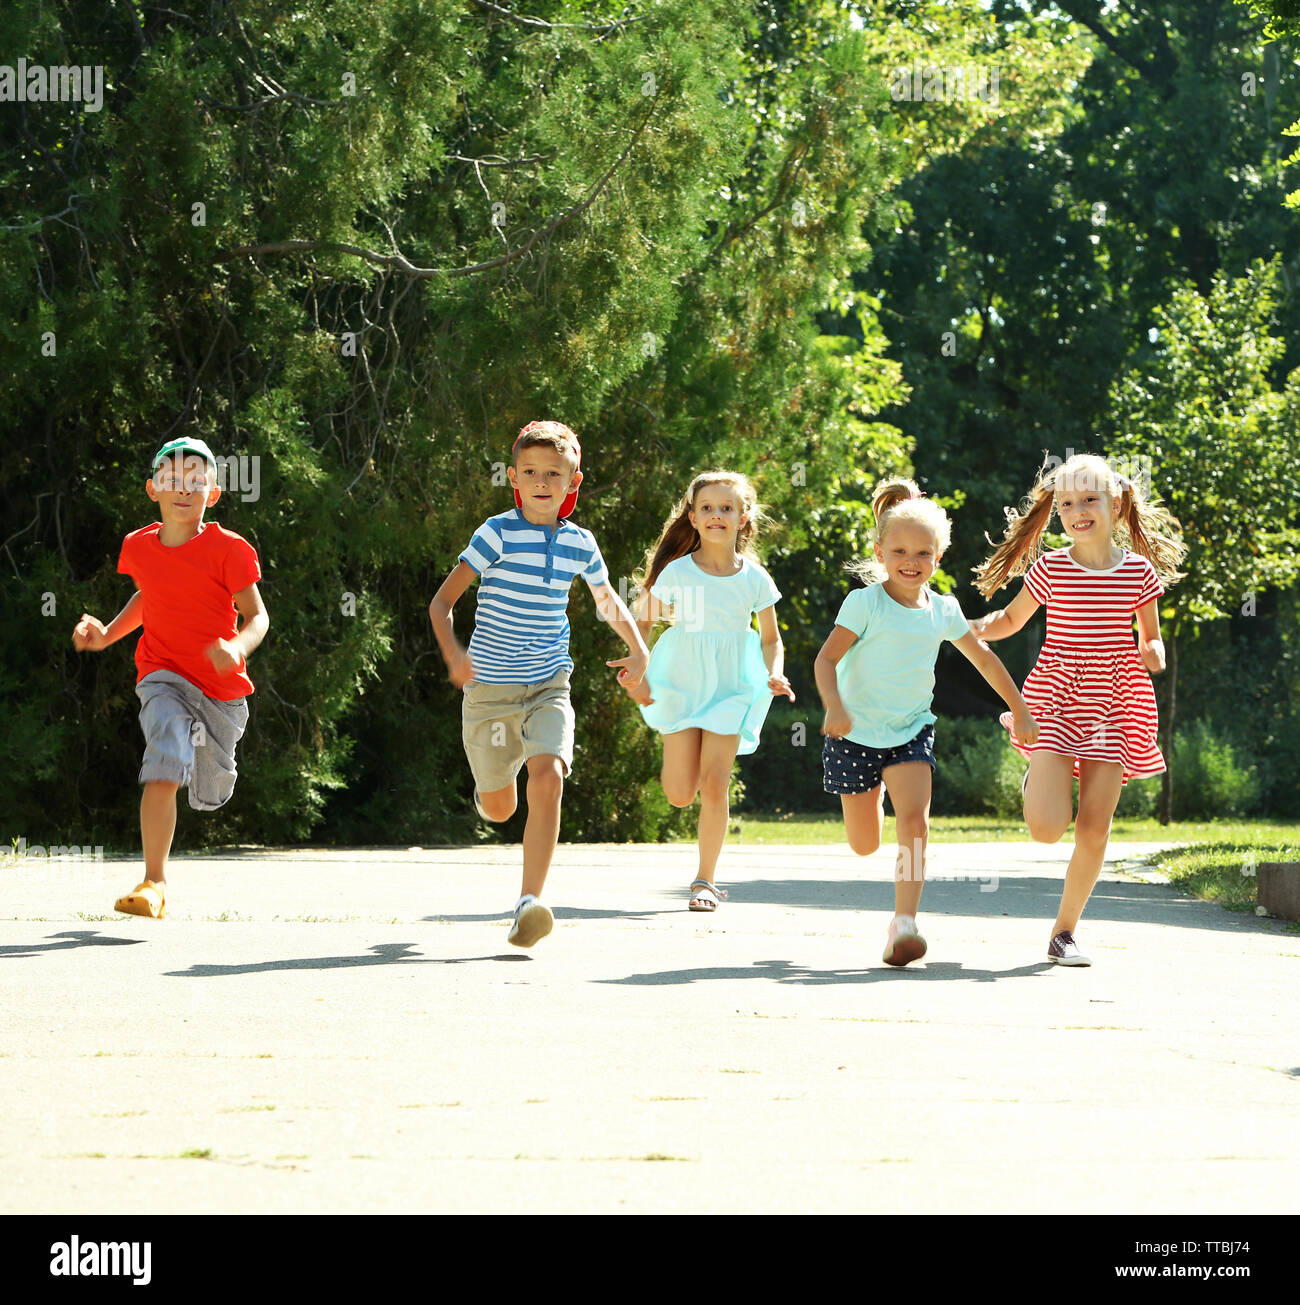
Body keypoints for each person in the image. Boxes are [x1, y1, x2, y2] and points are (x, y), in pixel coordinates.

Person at [429, 420, 649, 947]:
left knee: (549, 775)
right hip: (489, 690)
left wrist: (639, 648)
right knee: (501, 807)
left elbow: (606, 600)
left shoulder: (580, 542)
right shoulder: (496, 533)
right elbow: (441, 602)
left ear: (573, 481)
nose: (541, 481)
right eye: (530, 472)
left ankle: (529, 903)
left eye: (553, 473)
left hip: (549, 682)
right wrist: (455, 655)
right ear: (513, 478)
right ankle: (487, 795)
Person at [970, 453, 1186, 966]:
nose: (1077, 510)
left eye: (1089, 499)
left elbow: (1150, 637)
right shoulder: (1051, 568)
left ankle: (1064, 932)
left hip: (1118, 703)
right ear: (1057, 512)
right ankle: (1038, 777)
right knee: (1047, 829)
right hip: (1057, 697)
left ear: (1114, 504)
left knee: (1094, 827)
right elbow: (1010, 620)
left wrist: (1153, 652)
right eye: (1066, 502)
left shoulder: (1139, 572)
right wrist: (970, 626)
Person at [814, 478, 1038, 966]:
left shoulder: (944, 610)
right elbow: (825, 661)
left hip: (912, 731)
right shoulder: (864, 603)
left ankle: (905, 922)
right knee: (864, 843)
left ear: (938, 557)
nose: (910, 561)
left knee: (915, 823)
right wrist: (833, 705)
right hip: (853, 734)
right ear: (879, 551)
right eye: (898, 550)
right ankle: (868, 801)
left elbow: (984, 661)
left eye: (922, 552)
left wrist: (1020, 707)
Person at [71, 438, 269, 919]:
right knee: (164, 756)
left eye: (197, 480)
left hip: (220, 693)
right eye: (173, 480)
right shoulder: (138, 546)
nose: (185, 488)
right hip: (161, 674)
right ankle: (153, 881)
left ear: (214, 493)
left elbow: (258, 616)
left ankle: (206, 771)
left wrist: (236, 648)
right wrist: (105, 636)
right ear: (153, 490)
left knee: (211, 790)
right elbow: (149, 597)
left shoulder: (229, 550)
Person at [620, 471, 793, 911]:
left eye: (727, 508)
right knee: (680, 792)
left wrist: (775, 672)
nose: (717, 514)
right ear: (693, 518)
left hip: (735, 683)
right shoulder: (676, 573)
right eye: (708, 508)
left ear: (743, 516)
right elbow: (642, 622)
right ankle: (681, 766)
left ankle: (704, 881)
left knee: (716, 782)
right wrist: (638, 662)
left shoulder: (755, 577)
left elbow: (771, 637)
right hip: (680, 679)